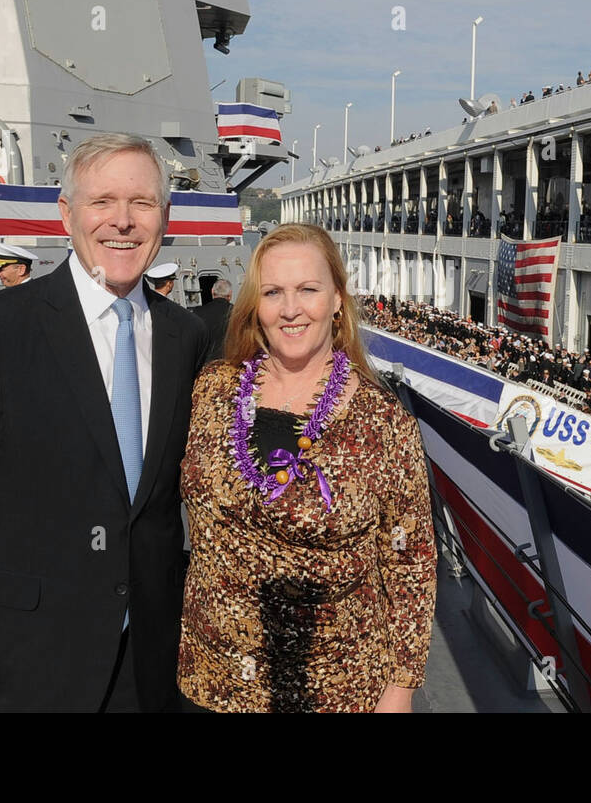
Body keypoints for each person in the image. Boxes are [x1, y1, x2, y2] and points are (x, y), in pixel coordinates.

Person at [0, 133, 211, 712]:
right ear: (67, 214)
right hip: (25, 662)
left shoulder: (185, 336)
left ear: (164, 218)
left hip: (150, 664)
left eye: (141, 203)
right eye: (102, 202)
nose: (122, 222)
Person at [177, 223, 437, 712]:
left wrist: (400, 690)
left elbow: (412, 562)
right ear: (256, 305)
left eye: (308, 290)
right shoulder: (213, 389)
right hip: (212, 677)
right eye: (273, 292)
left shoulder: (383, 422)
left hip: (335, 688)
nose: (290, 309)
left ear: (337, 299)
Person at [195, 277, 233, 363]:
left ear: (212, 291)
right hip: (232, 364)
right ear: (230, 295)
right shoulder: (238, 313)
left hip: (207, 365)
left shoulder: (198, 312)